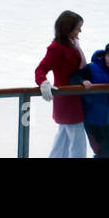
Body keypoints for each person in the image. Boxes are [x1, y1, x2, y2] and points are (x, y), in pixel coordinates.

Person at [34, 10, 86, 158]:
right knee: (78, 143)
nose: (80, 31)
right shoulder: (57, 48)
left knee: (63, 139)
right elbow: (41, 69)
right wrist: (43, 83)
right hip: (67, 101)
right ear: (67, 28)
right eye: (77, 28)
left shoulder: (73, 43)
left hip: (74, 98)